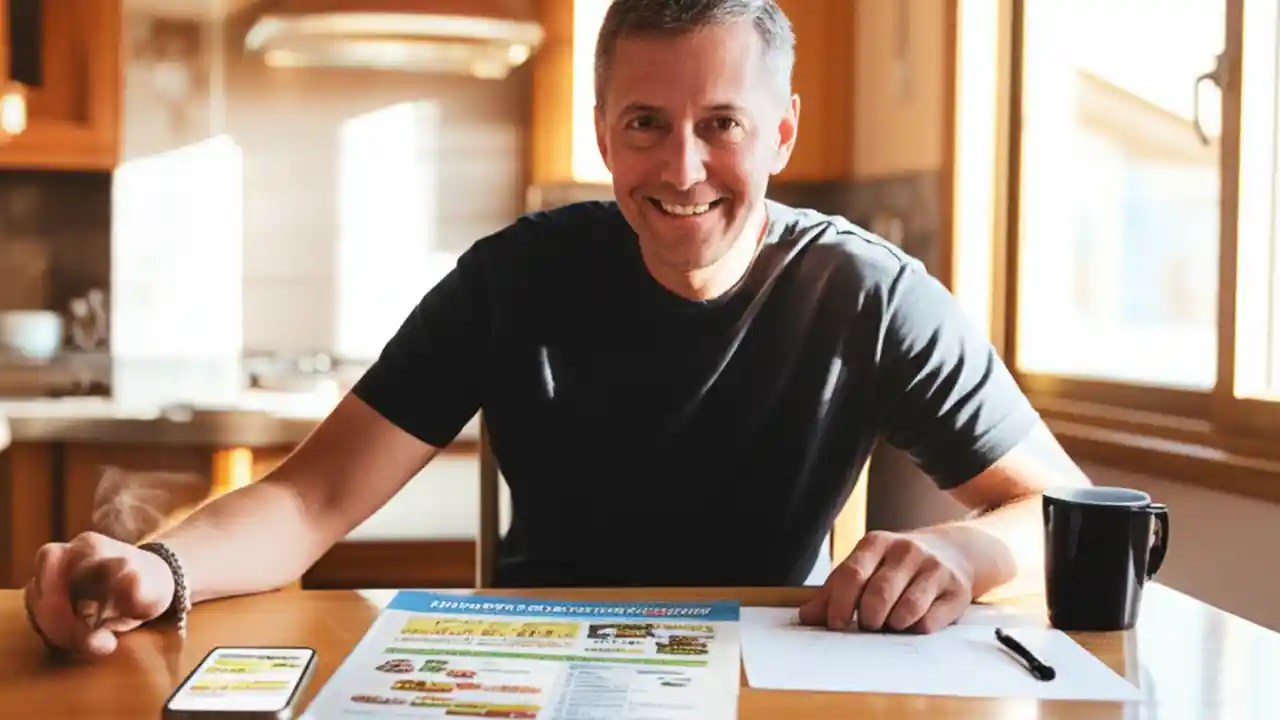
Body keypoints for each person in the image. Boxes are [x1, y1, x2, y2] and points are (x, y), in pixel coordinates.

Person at [23, 0, 1091, 658]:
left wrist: (958, 546)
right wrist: (159, 570)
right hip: (527, 673)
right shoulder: (513, 277)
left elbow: (1061, 511)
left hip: (767, 678)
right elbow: (310, 497)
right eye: (645, 125)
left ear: (780, 130)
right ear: (603, 133)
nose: (679, 171)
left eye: (719, 125)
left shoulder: (869, 291)